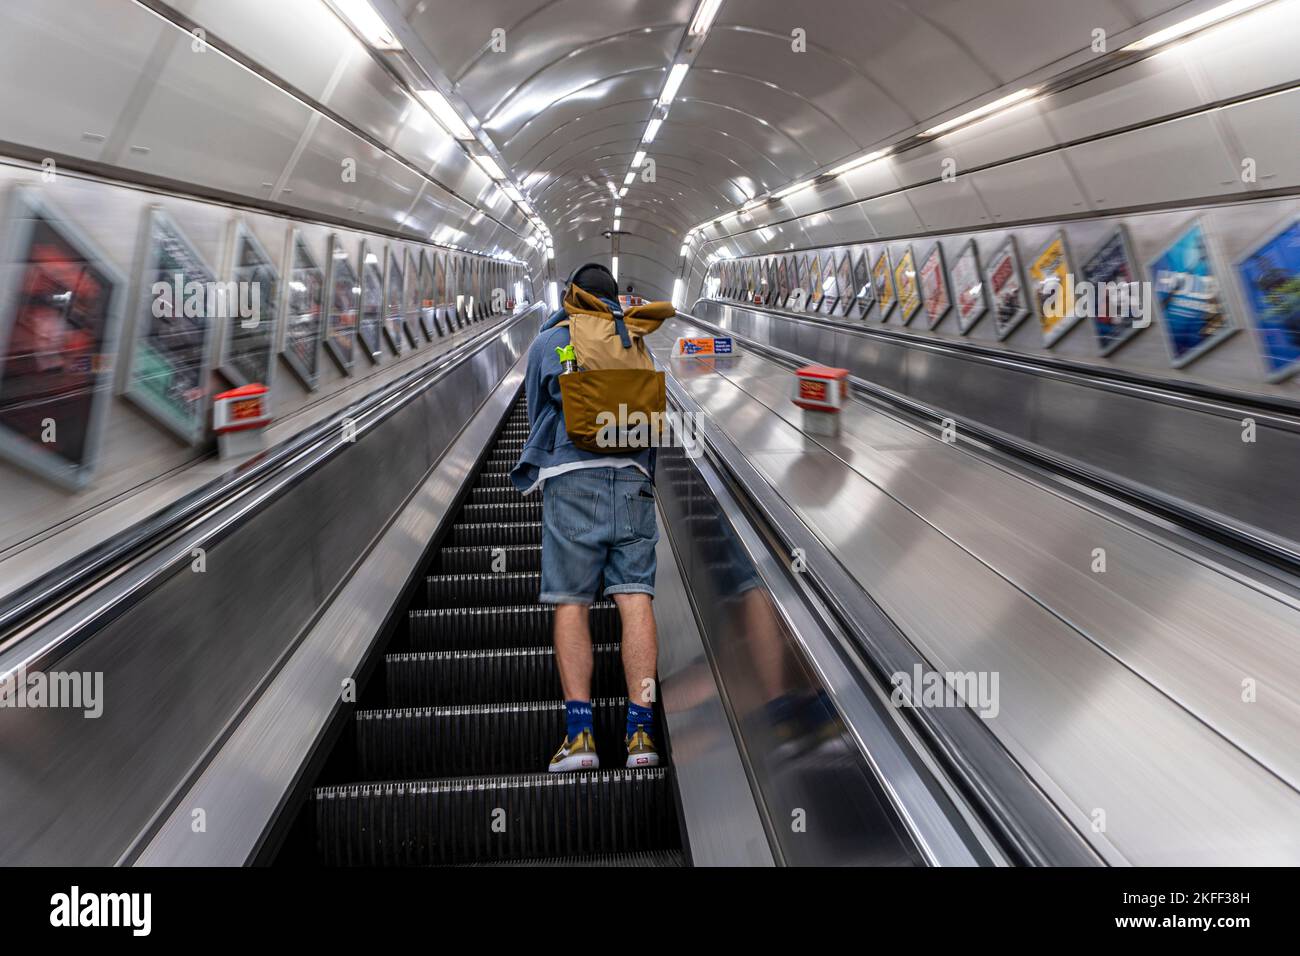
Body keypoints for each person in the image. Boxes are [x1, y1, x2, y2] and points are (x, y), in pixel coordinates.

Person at [511, 262, 662, 772]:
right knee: (635, 600)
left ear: (570, 296)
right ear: (615, 299)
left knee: (571, 603)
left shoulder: (548, 341)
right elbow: (650, 413)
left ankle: (580, 739)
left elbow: (535, 413)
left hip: (571, 479)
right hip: (633, 480)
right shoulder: (635, 339)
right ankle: (641, 734)